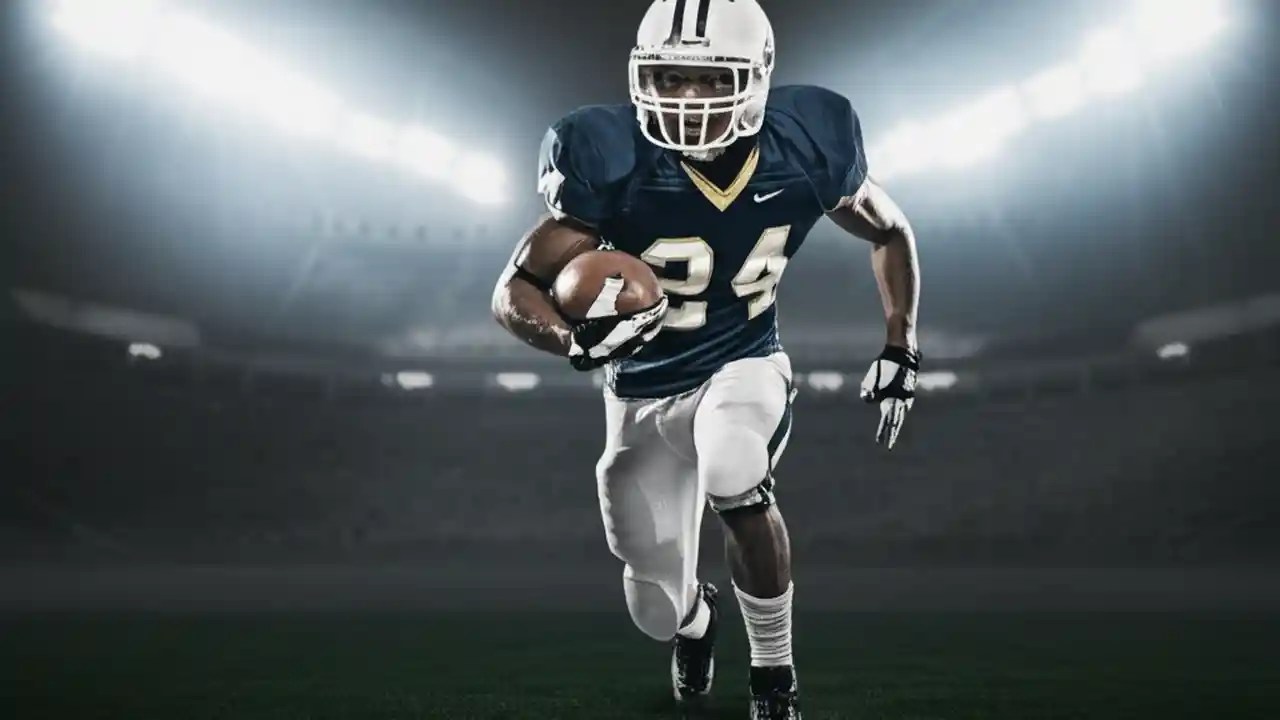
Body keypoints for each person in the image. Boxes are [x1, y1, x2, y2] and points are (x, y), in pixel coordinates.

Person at [491, 1, 921, 716]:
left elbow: (890, 229)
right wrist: (573, 341)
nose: (684, 98)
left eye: (706, 80)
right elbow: (516, 289)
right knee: (654, 606)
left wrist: (900, 343)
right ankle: (697, 619)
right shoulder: (610, 160)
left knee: (734, 466)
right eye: (668, 77)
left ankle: (773, 679)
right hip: (638, 394)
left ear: (755, 78)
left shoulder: (806, 145)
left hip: (743, 362)